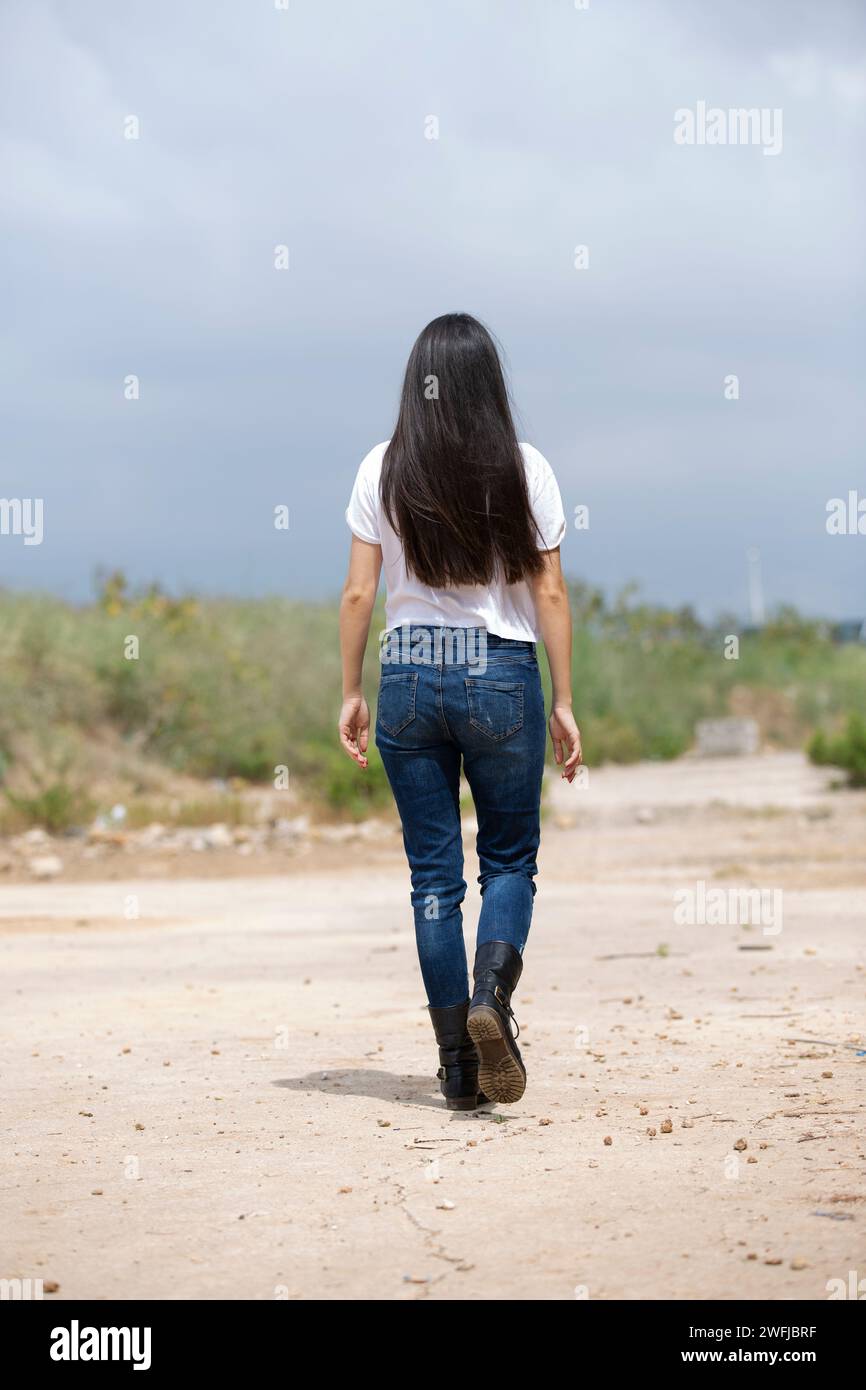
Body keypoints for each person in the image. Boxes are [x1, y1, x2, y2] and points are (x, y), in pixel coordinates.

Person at [338, 313, 581, 1108]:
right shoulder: (526, 468)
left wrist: (351, 690)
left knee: (432, 878)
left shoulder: (382, 468)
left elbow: (358, 593)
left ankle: (457, 1067)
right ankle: (492, 999)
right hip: (500, 672)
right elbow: (547, 590)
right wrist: (565, 701)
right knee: (509, 860)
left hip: (409, 674)